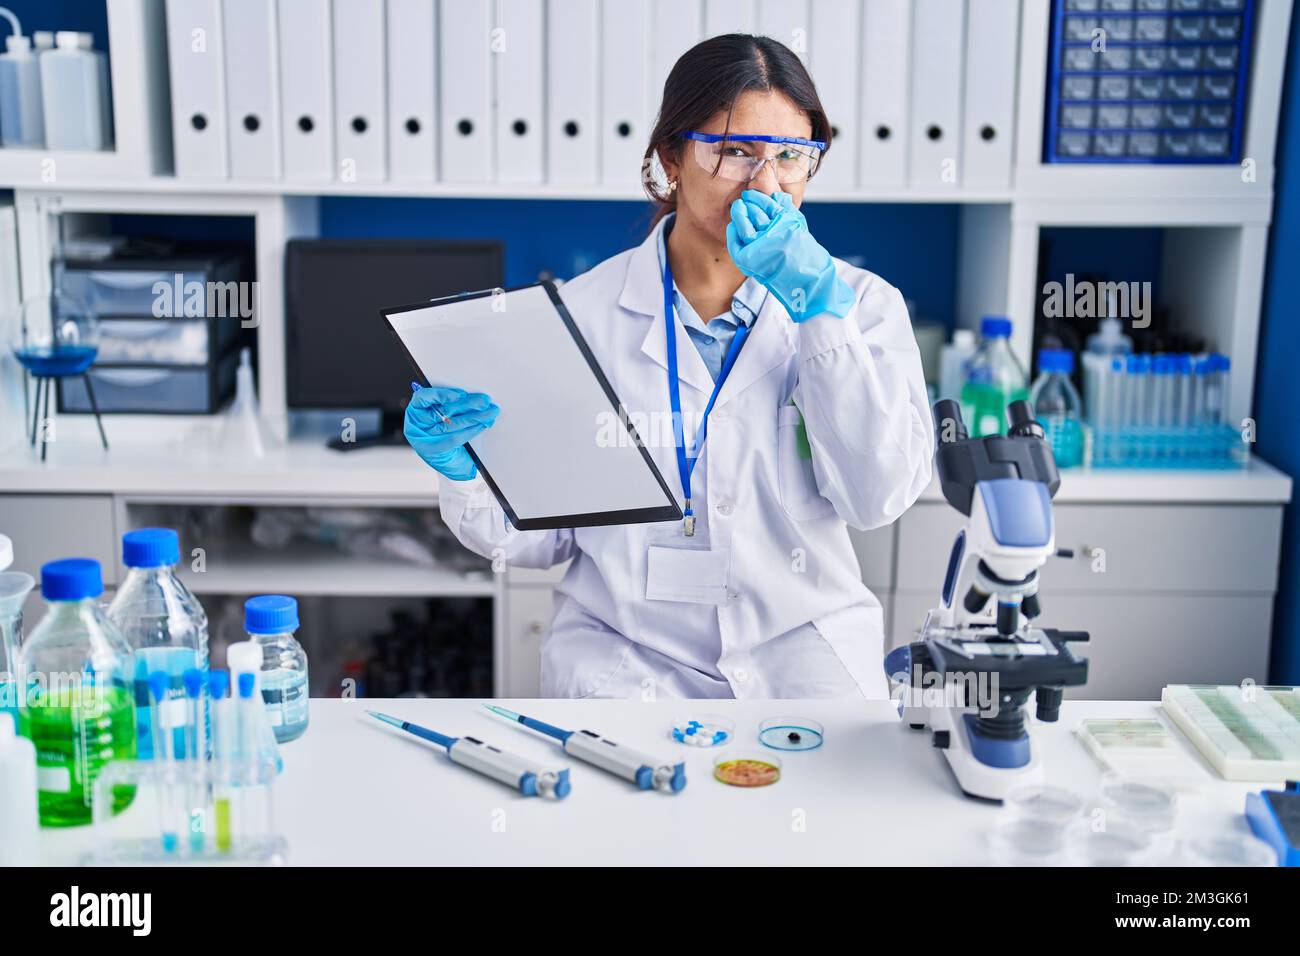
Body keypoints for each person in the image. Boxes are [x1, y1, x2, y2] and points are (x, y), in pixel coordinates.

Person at [405, 34, 933, 699]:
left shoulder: (862, 307)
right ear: (671, 158)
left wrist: (819, 314)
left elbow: (875, 497)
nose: (766, 183)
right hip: (625, 658)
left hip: (802, 650)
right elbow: (542, 544)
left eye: (792, 157)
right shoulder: (583, 314)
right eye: (735, 152)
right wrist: (468, 475)